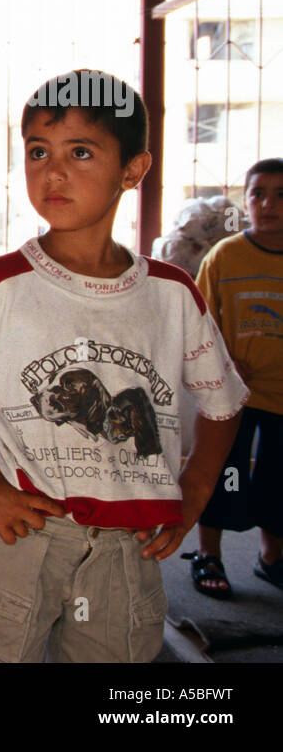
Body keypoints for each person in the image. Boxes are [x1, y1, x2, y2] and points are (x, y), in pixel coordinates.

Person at [0, 69, 248, 663]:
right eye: (38, 152)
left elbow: (223, 401)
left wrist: (197, 488)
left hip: (129, 553)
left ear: (133, 169)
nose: (53, 171)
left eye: (80, 152)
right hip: (19, 538)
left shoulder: (173, 294)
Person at [186, 158, 283, 597]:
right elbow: (200, 322)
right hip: (233, 395)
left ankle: (271, 557)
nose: (269, 205)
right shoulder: (225, 256)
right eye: (259, 194)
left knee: (278, 480)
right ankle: (210, 553)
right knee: (224, 472)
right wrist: (222, 361)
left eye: (282, 195)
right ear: (246, 201)